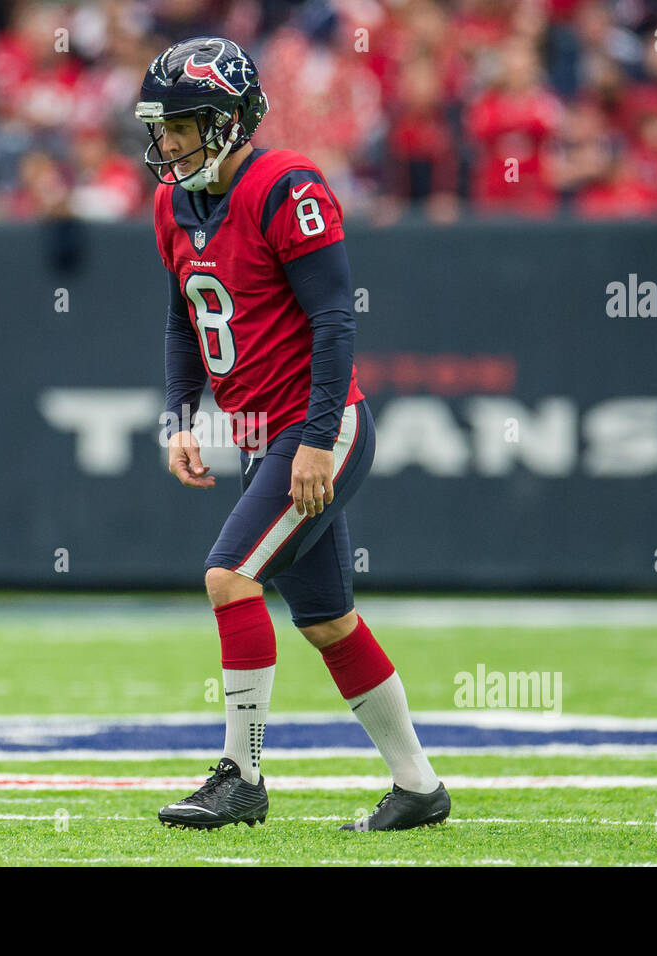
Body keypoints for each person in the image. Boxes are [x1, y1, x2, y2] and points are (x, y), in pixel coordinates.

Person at [136, 37, 450, 831]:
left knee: (228, 578)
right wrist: (181, 414)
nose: (168, 141)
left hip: (319, 428)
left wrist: (314, 439)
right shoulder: (175, 202)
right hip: (262, 434)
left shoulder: (286, 187)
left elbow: (334, 320)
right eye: (163, 125)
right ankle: (418, 787)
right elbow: (183, 313)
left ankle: (242, 777)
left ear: (233, 121)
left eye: (184, 124)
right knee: (327, 620)